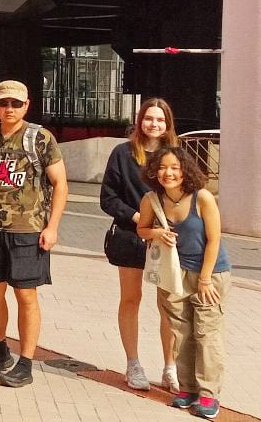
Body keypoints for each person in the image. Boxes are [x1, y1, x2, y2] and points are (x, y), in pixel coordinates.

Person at [0, 80, 68, 388]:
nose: (10, 108)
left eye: (16, 103)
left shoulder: (40, 138)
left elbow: (60, 184)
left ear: (26, 105)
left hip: (28, 230)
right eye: (4, 103)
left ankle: (26, 363)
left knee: (25, 295)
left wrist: (52, 226)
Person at [136, 147, 231, 420]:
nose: (168, 173)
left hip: (209, 274)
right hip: (172, 274)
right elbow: (142, 229)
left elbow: (214, 240)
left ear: (185, 170)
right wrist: (156, 232)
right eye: (162, 167)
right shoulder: (151, 199)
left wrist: (205, 279)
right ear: (154, 171)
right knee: (181, 332)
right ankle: (188, 388)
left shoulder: (202, 198)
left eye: (175, 167)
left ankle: (209, 394)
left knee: (207, 333)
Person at [101, 98, 180, 391]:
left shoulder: (176, 155)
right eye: (149, 118)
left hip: (167, 239)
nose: (154, 124)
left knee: (168, 304)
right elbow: (108, 198)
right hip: (131, 236)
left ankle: (170, 367)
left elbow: (188, 195)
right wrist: (139, 218)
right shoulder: (122, 153)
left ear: (167, 124)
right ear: (140, 121)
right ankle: (133, 363)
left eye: (160, 120)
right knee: (131, 299)